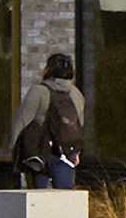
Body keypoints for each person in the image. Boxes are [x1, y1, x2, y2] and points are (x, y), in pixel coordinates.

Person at [13, 48, 88, 193]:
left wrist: (14, 151)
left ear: (49, 69)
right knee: (64, 199)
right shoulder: (76, 94)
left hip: (40, 153)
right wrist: (76, 152)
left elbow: (22, 122)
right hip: (67, 152)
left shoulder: (39, 91)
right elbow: (79, 124)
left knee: (38, 198)